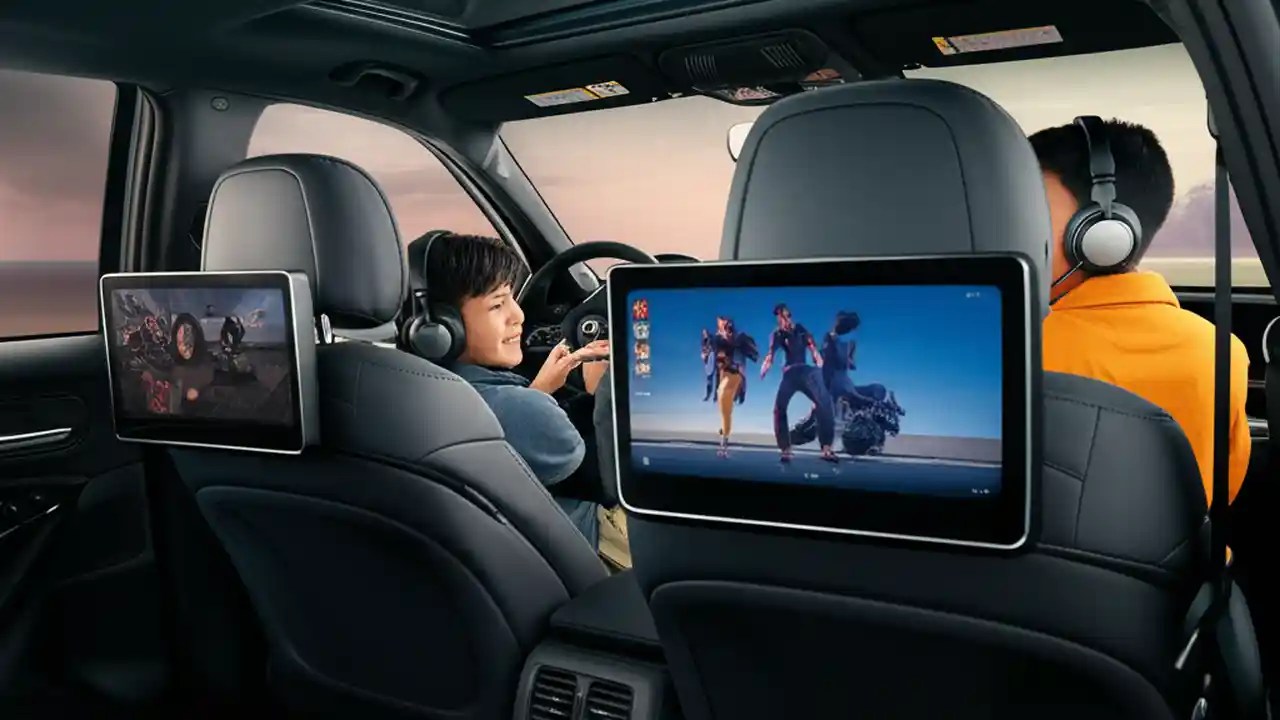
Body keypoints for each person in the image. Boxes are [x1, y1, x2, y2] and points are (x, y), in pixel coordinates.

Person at [1031, 118, 1251, 509]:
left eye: (1030, 212)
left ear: (1102, 233)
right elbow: (1223, 491)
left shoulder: (1015, 346)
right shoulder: (1223, 351)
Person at [418, 232, 610, 547]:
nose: (518, 315)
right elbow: (608, 481)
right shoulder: (510, 407)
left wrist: (539, 392)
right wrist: (601, 395)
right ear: (445, 323)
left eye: (512, 297)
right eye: (497, 305)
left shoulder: (425, 390)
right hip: (581, 544)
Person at [760, 303, 837, 462]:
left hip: (806, 371)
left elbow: (812, 347)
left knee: (824, 401)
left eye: (785, 317)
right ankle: (785, 449)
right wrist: (766, 365)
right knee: (779, 408)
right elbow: (771, 353)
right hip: (790, 374)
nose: (783, 321)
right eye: (780, 319)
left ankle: (827, 448)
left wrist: (819, 362)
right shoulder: (777, 334)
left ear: (789, 316)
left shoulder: (800, 329)